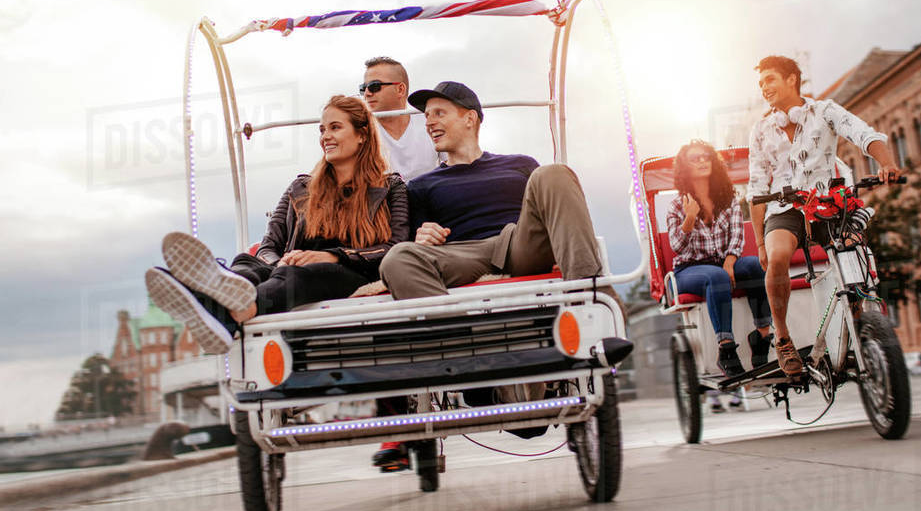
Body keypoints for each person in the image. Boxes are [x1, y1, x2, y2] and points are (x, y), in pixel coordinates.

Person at [377, 81, 618, 436]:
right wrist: (422, 233)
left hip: (519, 242)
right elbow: (413, 238)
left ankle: (591, 307)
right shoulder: (422, 185)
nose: (428, 123)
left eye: (439, 113)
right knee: (398, 259)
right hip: (462, 253)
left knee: (554, 173)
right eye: (426, 117)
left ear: (470, 118)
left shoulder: (520, 165)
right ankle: (469, 358)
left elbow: (548, 212)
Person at [145, 95, 409, 354]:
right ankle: (215, 304)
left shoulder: (390, 187)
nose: (325, 136)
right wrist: (278, 262)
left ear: (362, 135)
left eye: (335, 127)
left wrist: (331, 257)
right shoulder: (301, 188)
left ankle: (225, 306)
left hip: (351, 272)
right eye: (322, 129)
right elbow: (269, 246)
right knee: (248, 262)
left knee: (299, 274)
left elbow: (396, 248)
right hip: (289, 269)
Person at [747, 55, 902, 382]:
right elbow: (757, 187)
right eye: (761, 83)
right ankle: (783, 338)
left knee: (853, 253)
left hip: (828, 204)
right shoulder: (761, 129)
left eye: (770, 80)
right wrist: (760, 242)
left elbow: (862, 134)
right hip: (783, 208)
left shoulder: (825, 111)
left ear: (791, 79)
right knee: (777, 260)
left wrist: (886, 163)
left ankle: (859, 326)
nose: (764, 88)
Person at [667, 140, 772, 378]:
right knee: (716, 277)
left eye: (706, 157)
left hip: (725, 262)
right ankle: (726, 349)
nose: (703, 161)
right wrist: (690, 219)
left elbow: (737, 235)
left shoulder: (728, 199)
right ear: (685, 167)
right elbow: (677, 247)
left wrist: (730, 261)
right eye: (696, 158)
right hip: (689, 269)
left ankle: (763, 335)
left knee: (755, 265)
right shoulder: (677, 205)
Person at [361, 56, 440, 181]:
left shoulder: (430, 122)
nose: (367, 93)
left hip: (428, 196)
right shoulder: (360, 132)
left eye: (374, 86)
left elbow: (455, 164)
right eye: (363, 88)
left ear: (400, 89)